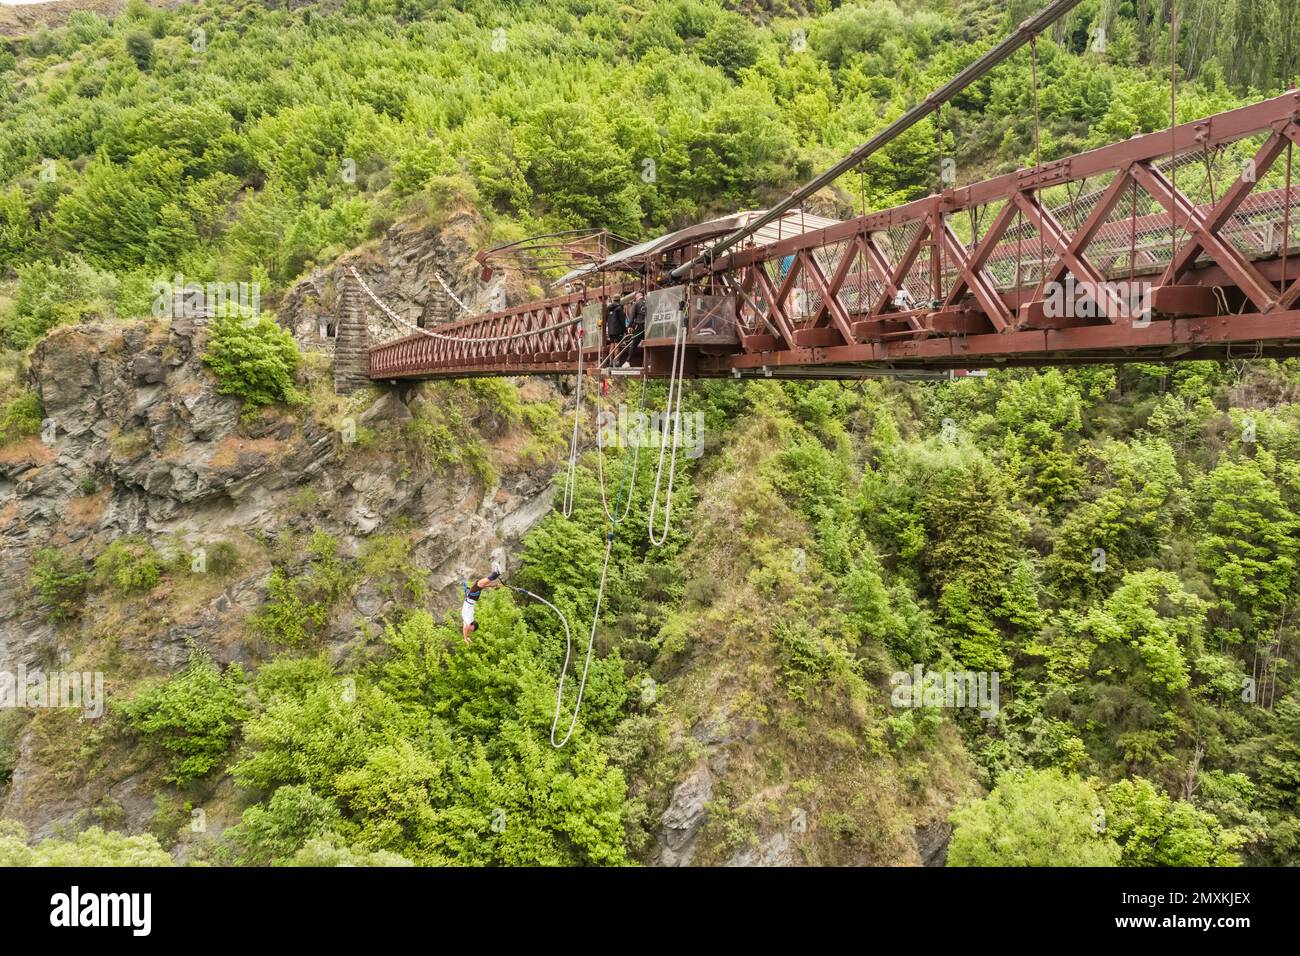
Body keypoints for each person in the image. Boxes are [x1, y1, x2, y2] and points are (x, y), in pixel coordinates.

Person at [461, 570, 503, 644]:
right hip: (471, 598)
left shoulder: (466, 621)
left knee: (481, 584)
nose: (470, 630)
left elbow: (466, 629)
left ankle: (496, 573)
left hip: (471, 597)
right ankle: (496, 573)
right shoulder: (469, 620)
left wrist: (467, 637)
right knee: (480, 583)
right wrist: (465, 638)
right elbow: (466, 629)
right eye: (472, 629)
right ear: (472, 626)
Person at [623, 290, 646, 368]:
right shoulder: (649, 302)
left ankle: (628, 361)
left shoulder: (636, 304)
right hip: (648, 326)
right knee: (648, 343)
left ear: (636, 297)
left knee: (634, 344)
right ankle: (648, 362)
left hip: (640, 326)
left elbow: (632, 317)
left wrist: (629, 327)